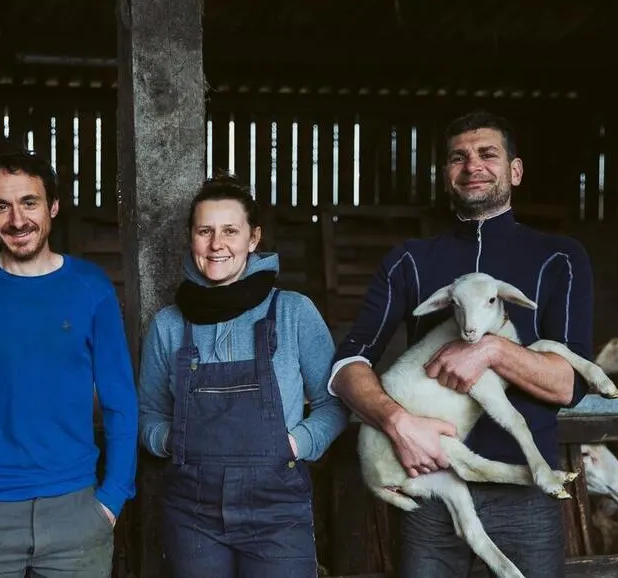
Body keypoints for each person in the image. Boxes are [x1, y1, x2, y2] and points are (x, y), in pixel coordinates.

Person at [328, 110, 593, 577]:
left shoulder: (560, 257)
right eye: (458, 157)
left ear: (515, 170)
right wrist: (399, 424)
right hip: (429, 479)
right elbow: (348, 364)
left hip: (525, 494)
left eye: (488, 154)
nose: (473, 165)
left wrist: (489, 350)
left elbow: (568, 385)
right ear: (445, 174)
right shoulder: (409, 260)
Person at [0, 149, 138, 578]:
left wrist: (112, 497)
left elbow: (121, 401)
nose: (17, 220)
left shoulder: (91, 289)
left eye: (29, 202)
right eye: (2, 206)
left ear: (53, 206)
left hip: (76, 512)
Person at [138, 174, 349, 578]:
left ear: (253, 239)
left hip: (277, 509)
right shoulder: (169, 325)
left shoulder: (293, 312)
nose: (217, 245)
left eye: (230, 231)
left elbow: (334, 404)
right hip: (192, 511)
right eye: (205, 231)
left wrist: (294, 443)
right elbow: (147, 413)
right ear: (192, 239)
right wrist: (173, 439)